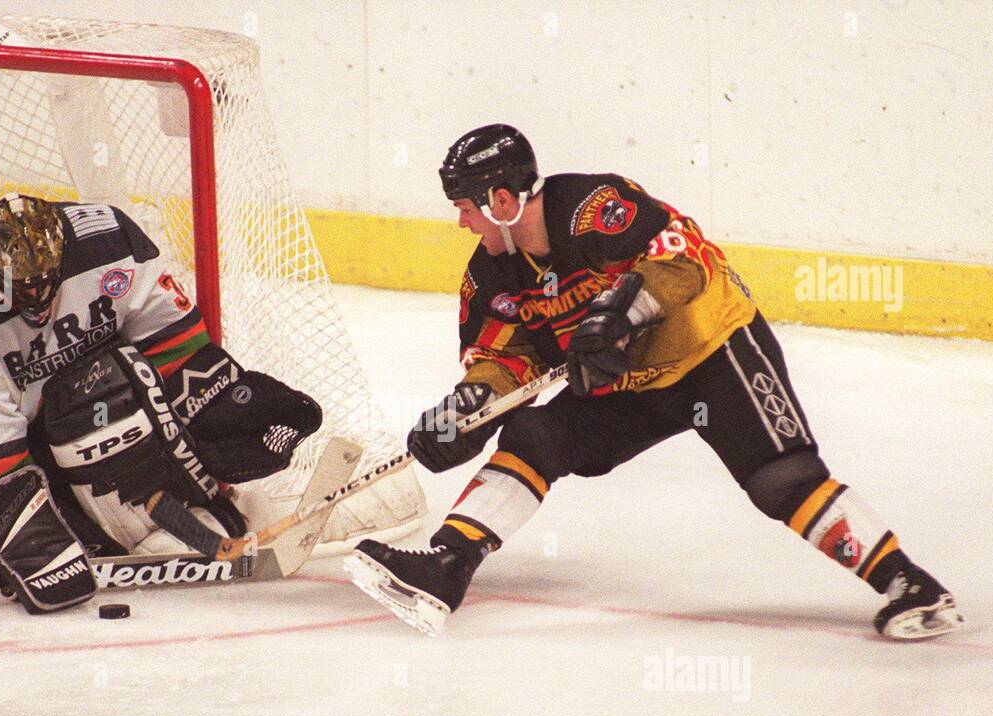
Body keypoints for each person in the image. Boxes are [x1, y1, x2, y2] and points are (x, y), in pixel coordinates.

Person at [345, 124, 961, 641]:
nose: (461, 222)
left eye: (465, 206)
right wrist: (472, 404)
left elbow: (686, 259)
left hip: (712, 352)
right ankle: (448, 566)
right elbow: (506, 357)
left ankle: (910, 584)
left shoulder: (594, 209)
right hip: (624, 384)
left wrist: (619, 316)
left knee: (782, 481)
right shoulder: (491, 275)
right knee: (533, 432)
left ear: (503, 201)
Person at [0, 194, 321, 613]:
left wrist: (222, 406)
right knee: (97, 404)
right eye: (20, 290)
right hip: (28, 448)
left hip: (96, 405)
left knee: (117, 385)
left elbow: (174, 349)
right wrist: (32, 544)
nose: (36, 302)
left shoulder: (109, 243)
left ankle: (185, 508)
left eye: (43, 286)